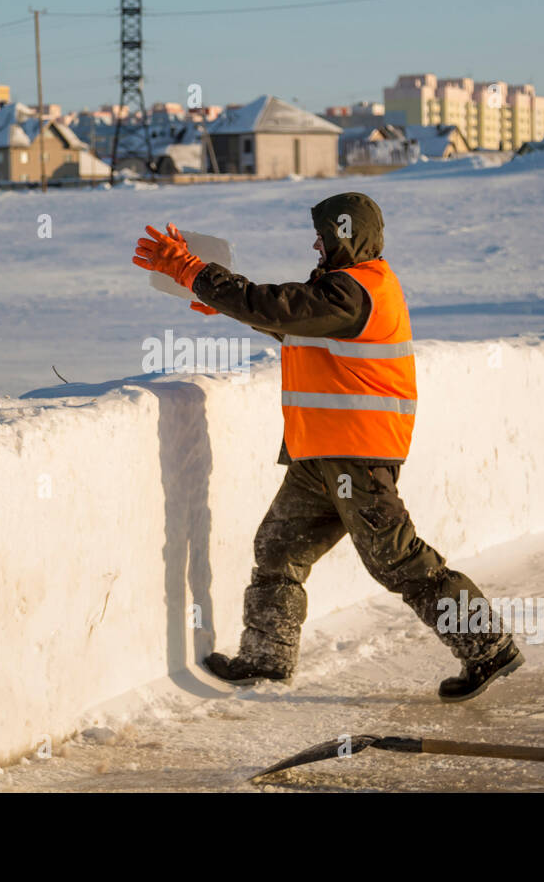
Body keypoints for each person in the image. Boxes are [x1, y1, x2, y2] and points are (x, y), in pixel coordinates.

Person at [133, 192, 522, 702]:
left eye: (323, 234)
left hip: (356, 457)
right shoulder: (342, 293)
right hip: (319, 456)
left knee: (397, 560)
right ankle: (266, 660)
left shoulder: (357, 291)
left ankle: (487, 646)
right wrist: (221, 299)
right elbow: (291, 322)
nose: (315, 242)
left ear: (345, 236)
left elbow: (282, 306)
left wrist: (195, 272)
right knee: (278, 549)